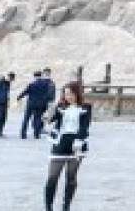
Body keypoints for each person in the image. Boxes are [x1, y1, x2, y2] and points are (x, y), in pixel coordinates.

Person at [44, 82, 92, 211]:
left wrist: (78, 142)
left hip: (77, 145)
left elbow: (84, 127)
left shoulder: (86, 107)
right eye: (65, 94)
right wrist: (48, 115)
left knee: (71, 177)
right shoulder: (60, 106)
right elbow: (50, 120)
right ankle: (48, 207)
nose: (68, 96)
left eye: (71, 93)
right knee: (52, 177)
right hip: (60, 143)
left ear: (77, 93)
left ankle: (66, 206)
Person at [18, 71, 52, 139]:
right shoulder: (45, 84)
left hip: (30, 104)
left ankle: (23, 134)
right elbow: (48, 94)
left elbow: (25, 92)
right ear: (41, 75)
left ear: (34, 76)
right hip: (40, 105)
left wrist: (19, 97)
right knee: (38, 119)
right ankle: (36, 134)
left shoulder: (31, 84)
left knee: (26, 119)